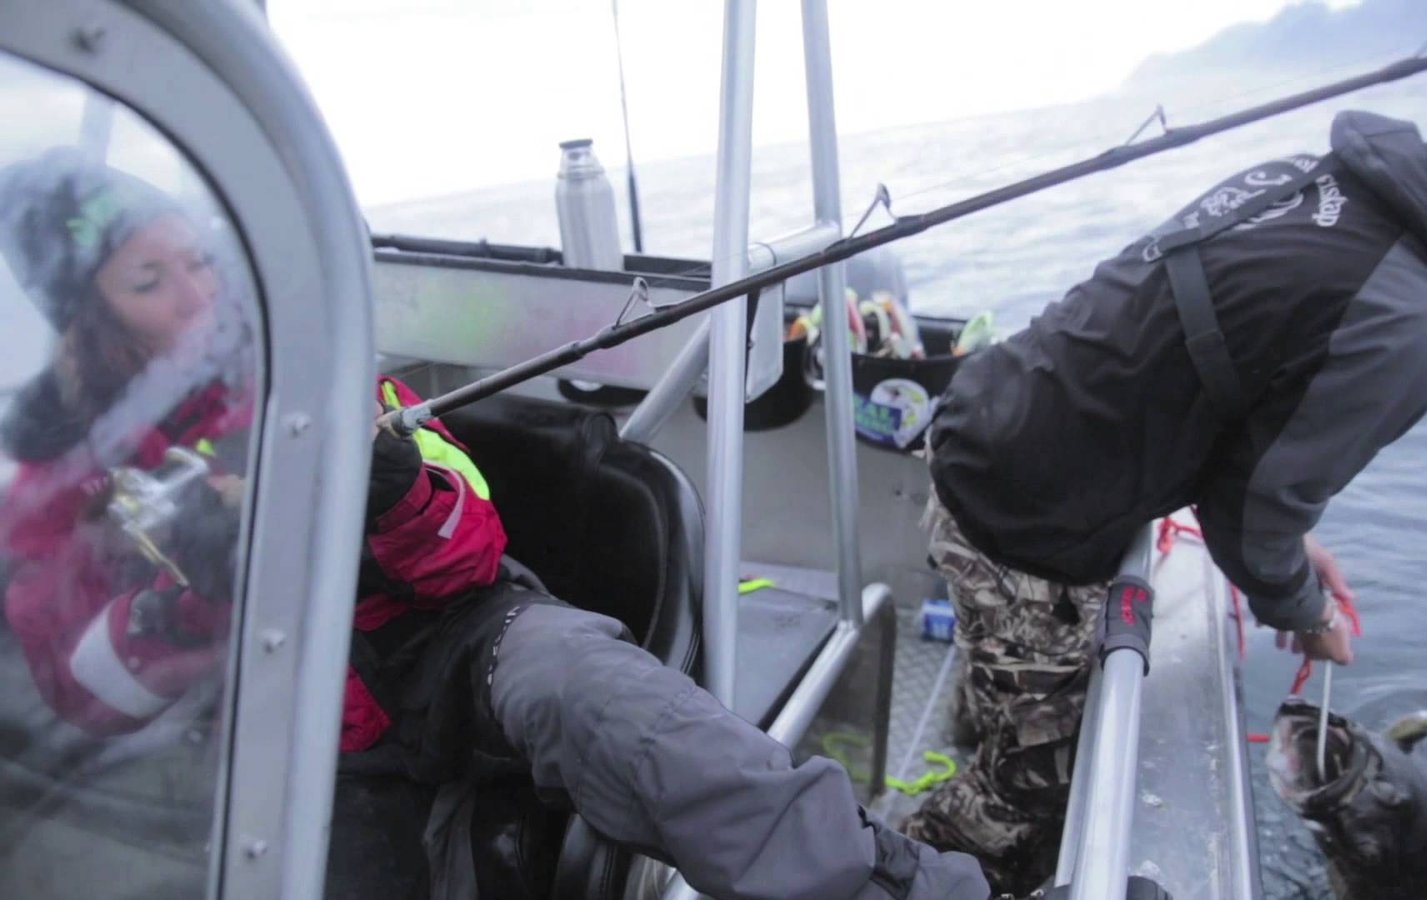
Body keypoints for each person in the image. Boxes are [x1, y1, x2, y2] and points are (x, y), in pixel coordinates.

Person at [0, 148, 991, 899]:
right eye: (149, 281)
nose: (202, 295)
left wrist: (392, 486)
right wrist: (198, 603)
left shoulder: (312, 365)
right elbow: (75, 699)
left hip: (449, 637)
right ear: (86, 318)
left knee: (595, 692)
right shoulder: (52, 484)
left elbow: (468, 550)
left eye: (197, 261)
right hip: (272, 727)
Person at [901, 94, 1427, 892]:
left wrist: (1292, 545)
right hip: (1023, 511)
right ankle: (882, 876)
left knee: (1023, 684)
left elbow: (1206, 371)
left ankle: (987, 722)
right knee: (1039, 787)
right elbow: (1248, 519)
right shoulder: (1406, 321)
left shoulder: (1312, 179)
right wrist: (1307, 615)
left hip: (984, 409)